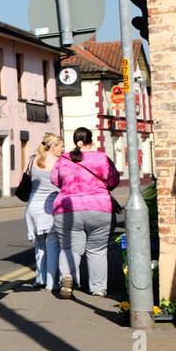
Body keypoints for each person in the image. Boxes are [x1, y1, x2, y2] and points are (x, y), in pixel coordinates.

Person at [51, 127, 120, 298]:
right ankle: (98, 288)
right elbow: (113, 180)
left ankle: (67, 277)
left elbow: (55, 180)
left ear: (75, 141)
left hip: (66, 209)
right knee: (97, 249)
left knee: (70, 248)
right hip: (99, 207)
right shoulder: (102, 158)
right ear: (92, 141)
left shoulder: (63, 159)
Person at [25, 133, 63, 290]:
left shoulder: (32, 159)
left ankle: (39, 279)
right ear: (53, 146)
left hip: (32, 208)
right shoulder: (59, 162)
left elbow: (23, 179)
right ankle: (51, 283)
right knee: (53, 246)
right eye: (61, 146)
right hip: (49, 208)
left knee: (39, 245)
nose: (63, 149)